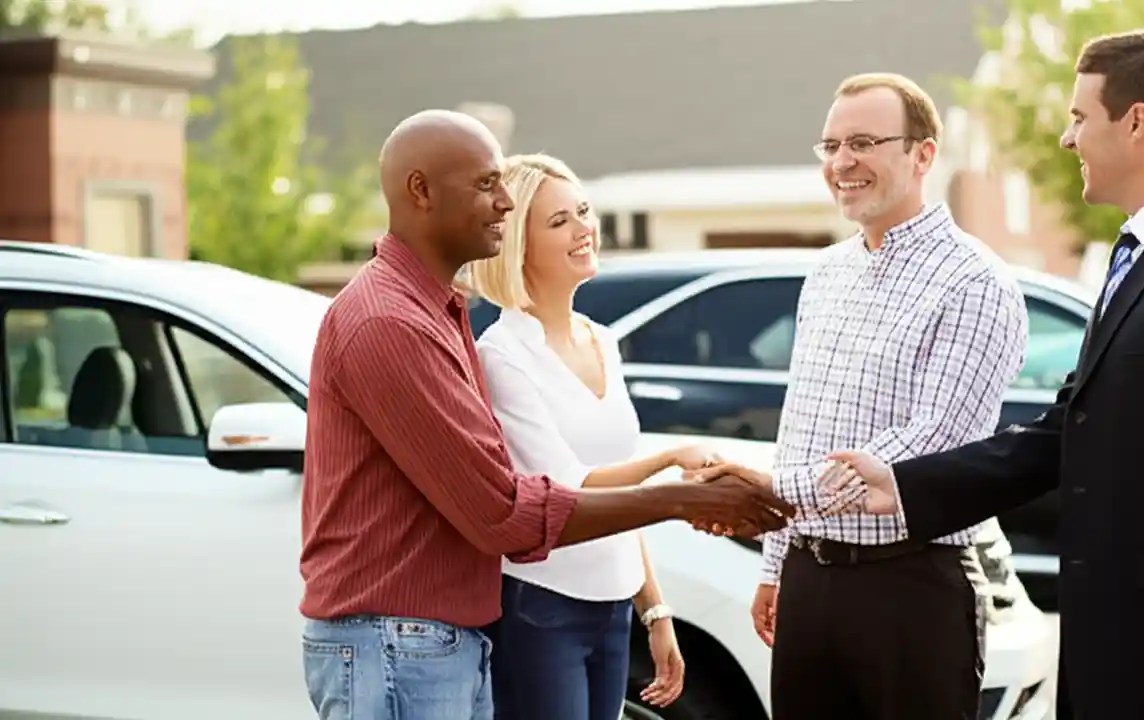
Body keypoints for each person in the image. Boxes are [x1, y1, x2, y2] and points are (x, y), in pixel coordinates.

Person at [793, 29, 1144, 720]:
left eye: (1080, 117)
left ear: (1136, 121)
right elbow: (1063, 435)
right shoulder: (1140, 255)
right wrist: (903, 484)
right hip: (1110, 659)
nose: (1066, 138)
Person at [297, 109, 795, 720]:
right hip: (399, 642)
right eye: (485, 184)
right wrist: (680, 498)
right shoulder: (389, 323)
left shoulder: (434, 312)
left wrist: (654, 597)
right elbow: (501, 512)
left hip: (433, 641)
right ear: (420, 191)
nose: (503, 202)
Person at [697, 73, 1030, 719]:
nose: (842, 162)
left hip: (910, 587)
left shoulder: (976, 282)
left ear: (923, 154)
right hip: (809, 578)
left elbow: (934, 441)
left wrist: (774, 488)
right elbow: (802, 424)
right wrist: (774, 563)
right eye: (829, 145)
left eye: (864, 142)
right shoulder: (825, 274)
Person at [467, 153, 710, 720]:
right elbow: (571, 489)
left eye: (583, 211)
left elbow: (620, 502)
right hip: (541, 609)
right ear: (517, 246)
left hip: (614, 608)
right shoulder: (501, 357)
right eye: (559, 222)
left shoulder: (602, 341)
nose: (584, 229)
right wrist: (671, 459)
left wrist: (655, 610)